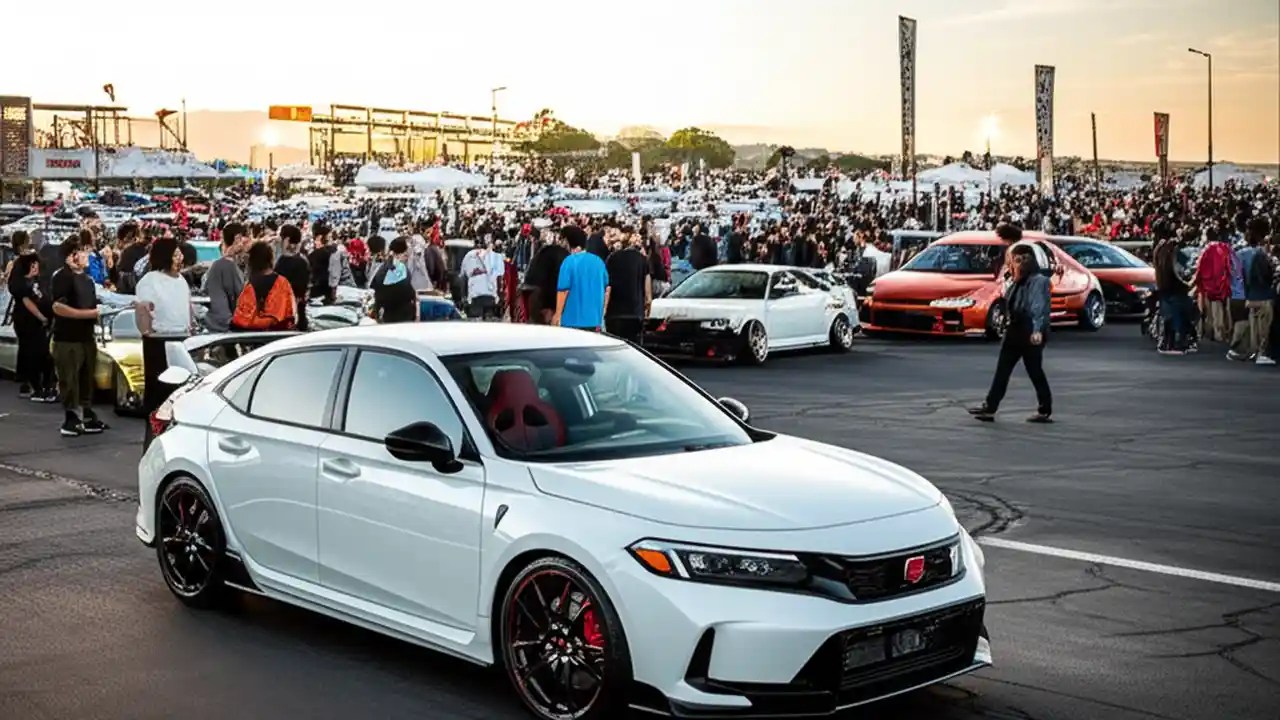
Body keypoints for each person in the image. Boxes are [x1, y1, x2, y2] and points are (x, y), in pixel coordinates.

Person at [970, 244, 1053, 423]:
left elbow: (1038, 307)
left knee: (1034, 370)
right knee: (1003, 369)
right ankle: (990, 407)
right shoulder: (1017, 281)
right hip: (1014, 329)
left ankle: (1044, 408)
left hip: (1029, 328)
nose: (1012, 264)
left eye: (1015, 260)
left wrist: (1037, 331)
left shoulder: (1038, 281)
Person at [134, 237, 194, 438]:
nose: (180, 258)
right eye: (176, 254)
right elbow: (144, 312)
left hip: (182, 339)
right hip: (158, 342)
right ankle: (154, 433)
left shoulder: (182, 281)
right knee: (159, 393)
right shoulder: (149, 281)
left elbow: (188, 308)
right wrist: (146, 324)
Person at [50, 237, 108, 437]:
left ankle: (87, 414)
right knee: (69, 378)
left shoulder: (87, 279)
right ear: (71, 255)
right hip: (67, 338)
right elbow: (58, 307)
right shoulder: (62, 277)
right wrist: (87, 315)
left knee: (86, 377)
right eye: (82, 252)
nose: (87, 256)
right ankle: (71, 417)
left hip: (86, 336)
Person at [7, 253, 56, 402]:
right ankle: (36, 387)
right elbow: (29, 304)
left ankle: (45, 385)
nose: (36, 267)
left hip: (38, 324)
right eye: (33, 264)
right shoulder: (21, 285)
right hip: (27, 322)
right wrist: (42, 318)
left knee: (42, 353)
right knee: (34, 354)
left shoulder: (36, 282)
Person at [554, 225, 610, 332]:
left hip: (571, 320)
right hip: (595, 320)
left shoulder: (568, 261)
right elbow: (607, 288)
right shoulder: (598, 261)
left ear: (567, 241)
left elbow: (563, 291)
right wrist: (603, 312)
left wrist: (557, 315)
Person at [231, 241, 297, 332]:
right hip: (281, 338)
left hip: (253, 338)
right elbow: (290, 313)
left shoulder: (250, 286)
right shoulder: (283, 283)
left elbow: (241, 318)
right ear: (270, 259)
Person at [1235, 217, 1275, 365]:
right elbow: (1264, 275)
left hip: (1250, 295)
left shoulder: (1242, 253)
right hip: (1263, 295)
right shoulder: (1260, 254)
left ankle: (1254, 351)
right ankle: (1261, 353)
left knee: (1254, 326)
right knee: (1264, 328)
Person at [605, 230, 651, 343]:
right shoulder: (643, 260)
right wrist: (647, 308)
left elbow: (607, 287)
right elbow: (648, 291)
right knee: (634, 349)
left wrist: (604, 310)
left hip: (614, 313)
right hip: (635, 313)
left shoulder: (612, 258)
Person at [204, 222, 248, 332]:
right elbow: (242, 297)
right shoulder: (227, 265)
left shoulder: (222, 264)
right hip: (225, 327)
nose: (250, 242)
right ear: (238, 239)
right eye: (248, 238)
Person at [369, 237, 419, 324]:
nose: (407, 257)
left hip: (388, 316)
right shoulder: (399, 269)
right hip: (401, 317)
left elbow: (375, 288)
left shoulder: (384, 267)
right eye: (406, 254)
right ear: (401, 253)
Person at [274, 224, 311, 331]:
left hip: (291, 317)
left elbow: (298, 292)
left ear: (286, 239)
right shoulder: (299, 260)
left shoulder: (294, 262)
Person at [460, 237, 500, 320]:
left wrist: (463, 297)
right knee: (489, 324)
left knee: (476, 323)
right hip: (490, 296)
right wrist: (498, 296)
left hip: (475, 296)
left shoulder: (468, 256)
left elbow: (463, 278)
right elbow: (498, 278)